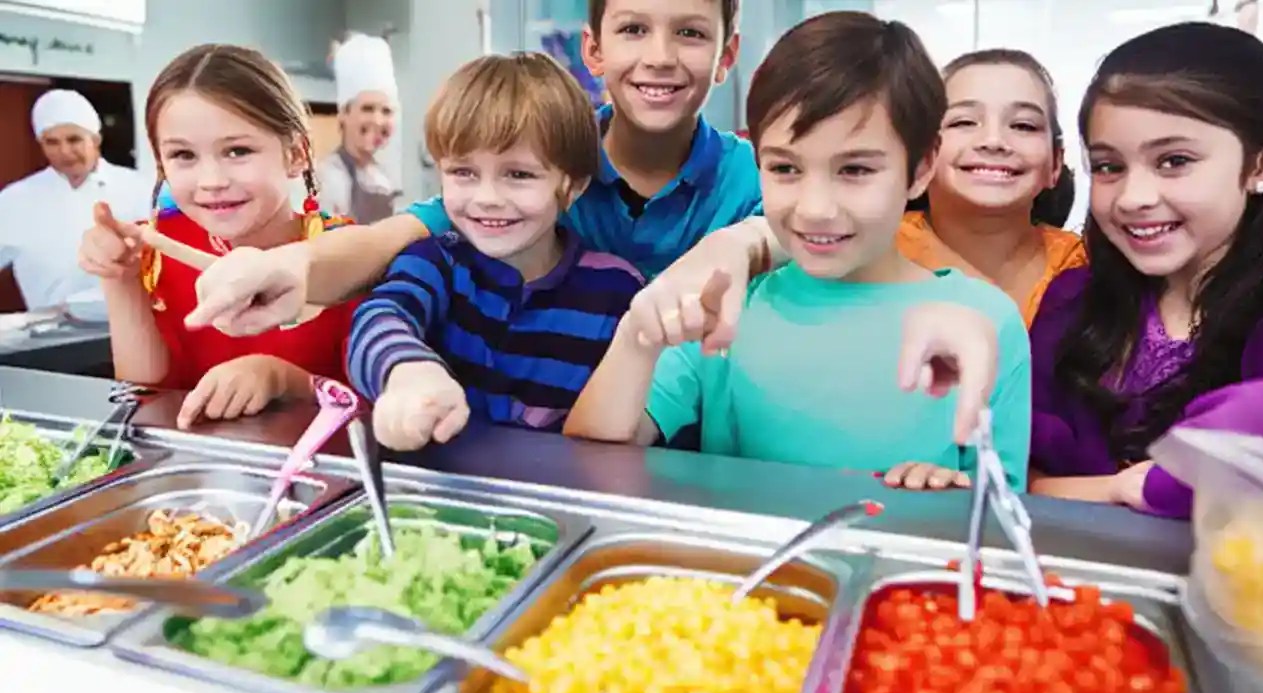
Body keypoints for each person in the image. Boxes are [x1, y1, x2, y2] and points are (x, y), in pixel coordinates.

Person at [563, 12, 1032, 490]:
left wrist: (951, 497)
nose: (815, 209)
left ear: (921, 168)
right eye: (785, 169)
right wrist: (638, 335)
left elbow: (1000, 512)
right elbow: (595, 453)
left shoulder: (985, 321)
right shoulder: (729, 307)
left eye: (855, 171)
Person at [177, 0, 764, 341]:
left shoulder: (753, 178)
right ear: (594, 51)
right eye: (634, 28)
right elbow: (388, 241)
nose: (660, 55)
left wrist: (743, 241)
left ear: (726, 57)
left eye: (689, 32)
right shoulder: (547, 157)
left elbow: (805, 230)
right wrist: (290, 266)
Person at [1029, 22, 1263, 518]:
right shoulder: (1073, 303)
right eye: (1108, 166)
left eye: (1174, 161)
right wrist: (1127, 489)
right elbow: (1021, 480)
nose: (1132, 198)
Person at [344, 53, 645, 449]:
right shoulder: (436, 263)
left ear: (573, 186)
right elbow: (379, 318)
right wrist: (408, 373)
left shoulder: (618, 292)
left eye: (518, 175)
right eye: (463, 172)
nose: (486, 198)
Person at [77, 44, 358, 430]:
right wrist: (120, 280)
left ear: (297, 154)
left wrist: (288, 381)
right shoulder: (155, 250)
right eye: (184, 156)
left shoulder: (351, 255)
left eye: (238, 150)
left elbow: (390, 410)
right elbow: (143, 397)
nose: (212, 181)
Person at [897, 50, 1086, 326]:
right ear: (921, 156)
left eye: (1023, 125)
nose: (993, 140)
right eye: (963, 122)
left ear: (1055, 162)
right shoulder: (873, 255)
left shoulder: (1085, 269)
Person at [0, 89, 151, 311]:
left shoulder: (138, 188)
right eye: (52, 142)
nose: (65, 151)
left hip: (133, 326)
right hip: (51, 336)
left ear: (96, 139)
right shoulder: (15, 200)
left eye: (74, 140)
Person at [315, 33, 401, 224]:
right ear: (344, 114)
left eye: (386, 111)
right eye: (367, 109)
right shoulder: (327, 177)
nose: (378, 121)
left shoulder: (383, 177)